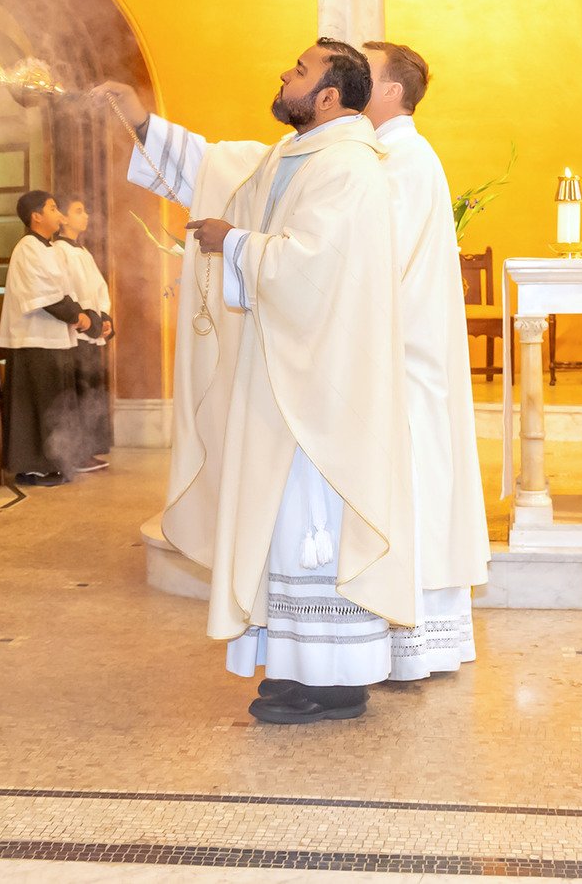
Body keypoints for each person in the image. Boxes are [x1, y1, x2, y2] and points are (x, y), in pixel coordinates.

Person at [95, 41, 414, 726]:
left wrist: (233, 242)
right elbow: (216, 169)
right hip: (280, 379)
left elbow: (315, 267)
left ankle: (339, 683)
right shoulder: (291, 156)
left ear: (329, 96)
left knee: (312, 525)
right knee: (281, 526)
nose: (285, 74)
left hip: (324, 392)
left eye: (300, 70)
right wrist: (141, 122)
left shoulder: (351, 168)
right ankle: (297, 669)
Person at [359, 40, 488, 679]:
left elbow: (373, 256)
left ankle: (407, 642)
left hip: (406, 361)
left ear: (390, 91)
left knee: (411, 493)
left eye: (364, 71)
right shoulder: (389, 154)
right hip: (403, 356)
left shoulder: (401, 159)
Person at [0, 190, 95, 486]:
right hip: (33, 340)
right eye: (52, 208)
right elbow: (43, 293)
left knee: (54, 403)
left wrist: (83, 314)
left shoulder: (50, 248)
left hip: (54, 339)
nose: (58, 214)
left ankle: (55, 462)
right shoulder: (27, 248)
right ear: (36, 216)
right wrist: (76, 316)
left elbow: (66, 289)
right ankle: (32, 467)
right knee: (35, 405)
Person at [56, 195, 114, 472]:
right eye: (78, 210)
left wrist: (104, 317)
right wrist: (87, 319)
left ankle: (90, 449)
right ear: (63, 218)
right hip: (76, 333)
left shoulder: (83, 252)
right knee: (78, 393)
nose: (86, 215)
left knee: (92, 392)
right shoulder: (59, 251)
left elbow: (99, 289)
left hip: (92, 331)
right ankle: (77, 453)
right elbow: (67, 292)